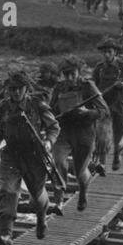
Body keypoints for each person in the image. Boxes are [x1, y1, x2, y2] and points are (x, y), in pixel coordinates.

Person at [0, 70, 59, 245]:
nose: (16, 92)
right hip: (11, 155)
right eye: (12, 89)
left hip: (35, 155)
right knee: (7, 189)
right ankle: (6, 233)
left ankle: (41, 217)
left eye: (20, 88)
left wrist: (49, 142)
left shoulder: (37, 105)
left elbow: (53, 126)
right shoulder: (4, 107)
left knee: (37, 193)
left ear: (26, 89)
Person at [49, 57, 105, 212]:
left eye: (72, 74)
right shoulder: (59, 88)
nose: (69, 78)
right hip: (64, 132)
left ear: (78, 72)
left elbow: (103, 111)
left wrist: (87, 112)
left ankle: (83, 193)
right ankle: (59, 201)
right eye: (65, 74)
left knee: (80, 171)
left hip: (84, 133)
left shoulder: (88, 86)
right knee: (58, 162)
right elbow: (51, 109)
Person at [92, 39, 123, 172]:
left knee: (119, 135)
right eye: (104, 52)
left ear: (115, 52)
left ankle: (116, 155)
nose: (106, 55)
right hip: (104, 105)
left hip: (120, 105)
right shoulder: (99, 68)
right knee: (102, 135)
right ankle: (102, 162)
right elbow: (93, 86)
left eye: (109, 52)